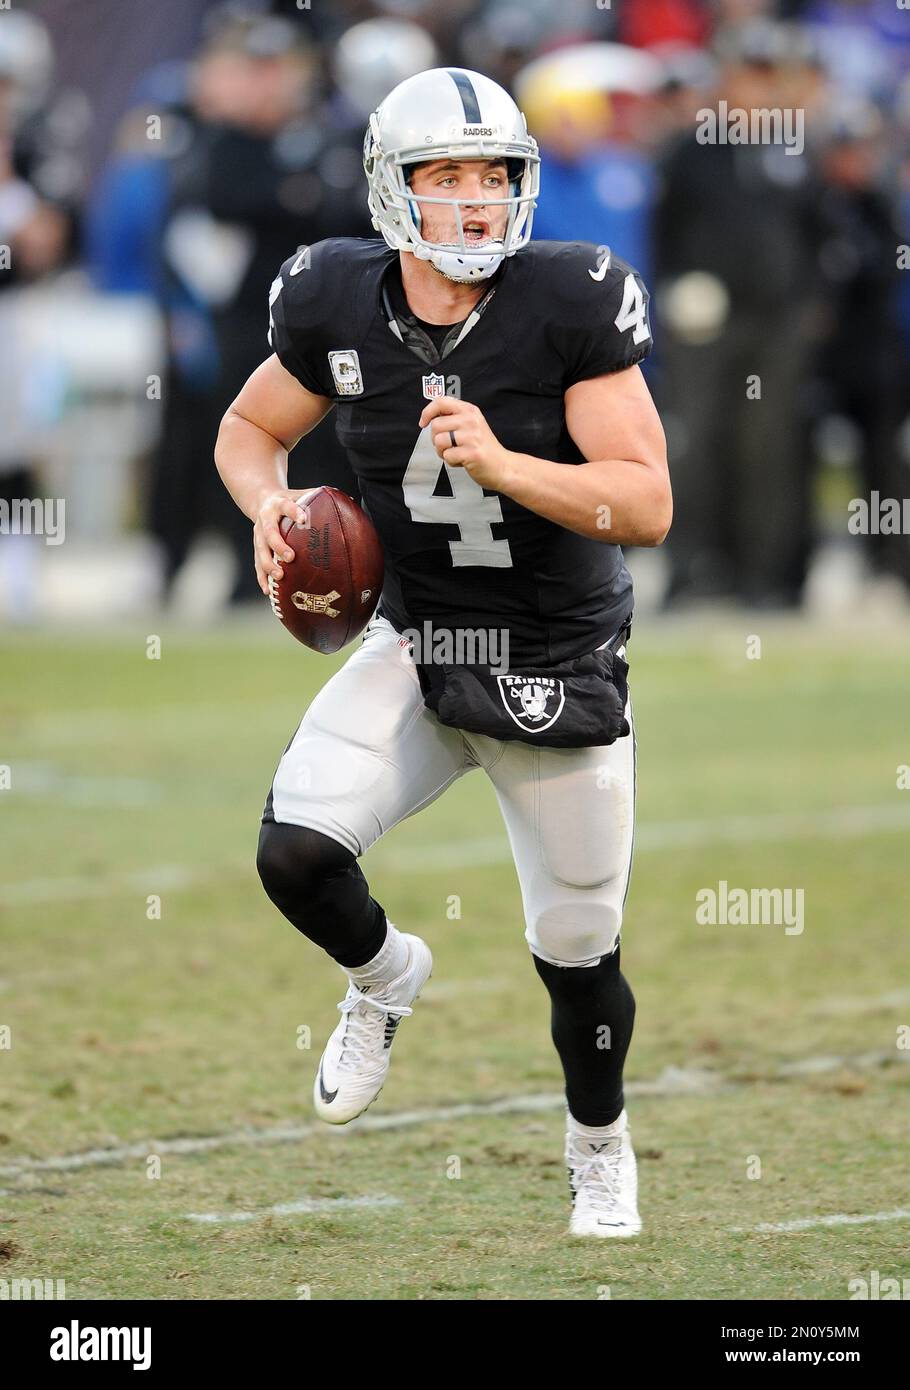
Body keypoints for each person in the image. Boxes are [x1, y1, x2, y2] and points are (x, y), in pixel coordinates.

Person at [215, 67, 671, 1238]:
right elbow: (248, 428)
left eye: (493, 177)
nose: (474, 202)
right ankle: (383, 978)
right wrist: (269, 504)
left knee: (576, 951)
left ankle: (599, 1147)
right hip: (417, 637)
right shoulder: (332, 298)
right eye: (445, 177)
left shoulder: (567, 297)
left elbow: (645, 502)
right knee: (294, 851)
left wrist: (506, 463)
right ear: (390, 186)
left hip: (557, 654)